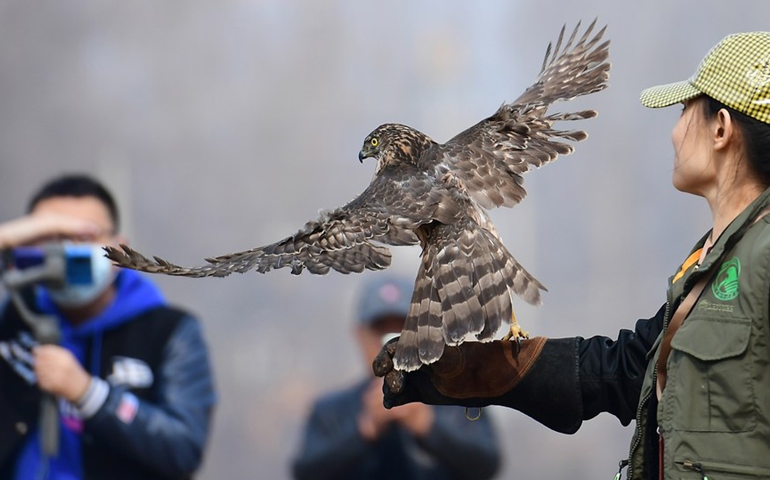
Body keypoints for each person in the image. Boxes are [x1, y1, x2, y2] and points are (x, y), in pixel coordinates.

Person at [374, 31, 770, 480]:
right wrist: (495, 372)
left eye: (683, 111)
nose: (675, 130)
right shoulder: (710, 262)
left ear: (721, 128)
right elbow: (628, 371)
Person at [0, 174, 216, 479]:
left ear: (120, 248)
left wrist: (90, 395)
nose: (66, 251)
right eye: (49, 236)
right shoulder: (16, 317)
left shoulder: (170, 333)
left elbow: (182, 449)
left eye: (84, 237)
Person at [291, 274, 502, 480]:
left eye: (402, 327)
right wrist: (364, 430)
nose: (390, 343)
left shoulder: (460, 404)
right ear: (359, 335)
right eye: (380, 328)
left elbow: (487, 465)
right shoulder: (330, 412)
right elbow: (305, 471)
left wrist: (428, 426)